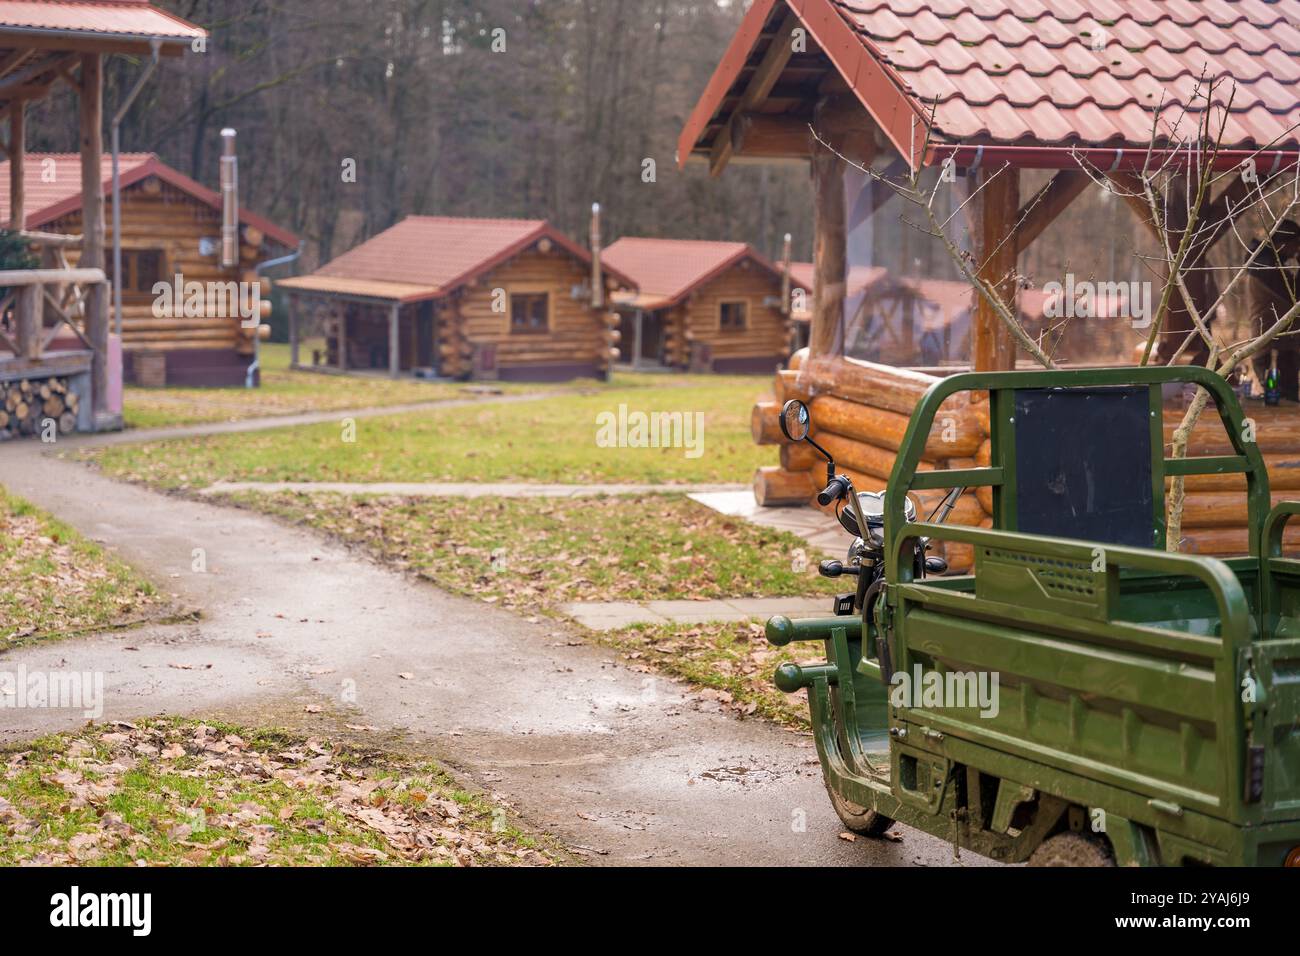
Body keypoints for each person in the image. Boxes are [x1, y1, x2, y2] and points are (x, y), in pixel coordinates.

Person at [1247, 219, 1300, 402]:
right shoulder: (1266, 267)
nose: (1295, 251)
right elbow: (1295, 295)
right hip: (1271, 339)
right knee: (1278, 397)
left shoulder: (1263, 261)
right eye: (1295, 245)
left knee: (1278, 396)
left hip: (1274, 337)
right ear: (1283, 244)